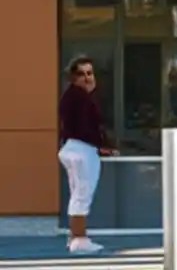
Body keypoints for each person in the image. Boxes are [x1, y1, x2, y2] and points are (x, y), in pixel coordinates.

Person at [58, 56, 116, 254]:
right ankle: (79, 239)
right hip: (82, 149)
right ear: (73, 77)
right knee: (82, 194)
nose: (87, 77)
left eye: (90, 73)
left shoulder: (73, 96)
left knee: (77, 194)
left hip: (74, 148)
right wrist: (102, 145)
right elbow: (86, 127)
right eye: (81, 74)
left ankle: (75, 237)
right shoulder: (80, 98)